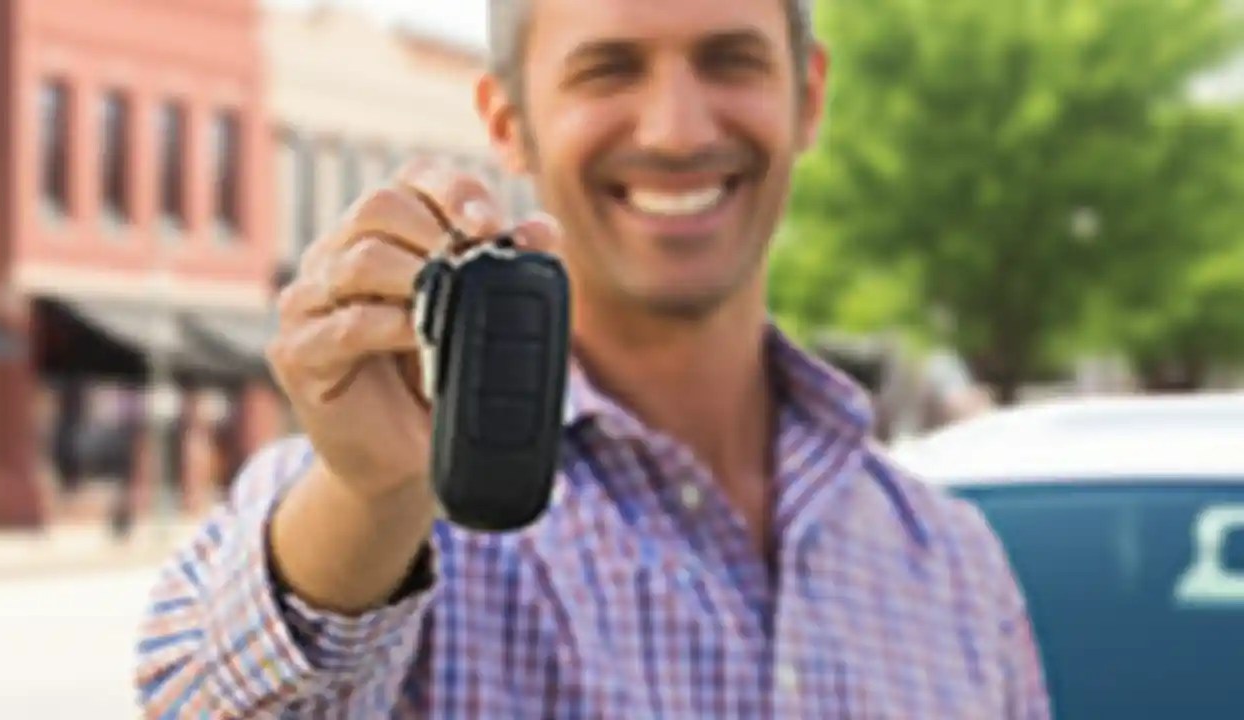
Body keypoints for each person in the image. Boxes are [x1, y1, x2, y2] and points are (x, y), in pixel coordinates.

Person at [135, 0, 1052, 716]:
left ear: (807, 95)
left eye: (729, 59)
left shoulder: (954, 566)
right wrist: (370, 497)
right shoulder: (397, 507)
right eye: (608, 68)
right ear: (508, 121)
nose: (677, 129)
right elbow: (211, 698)